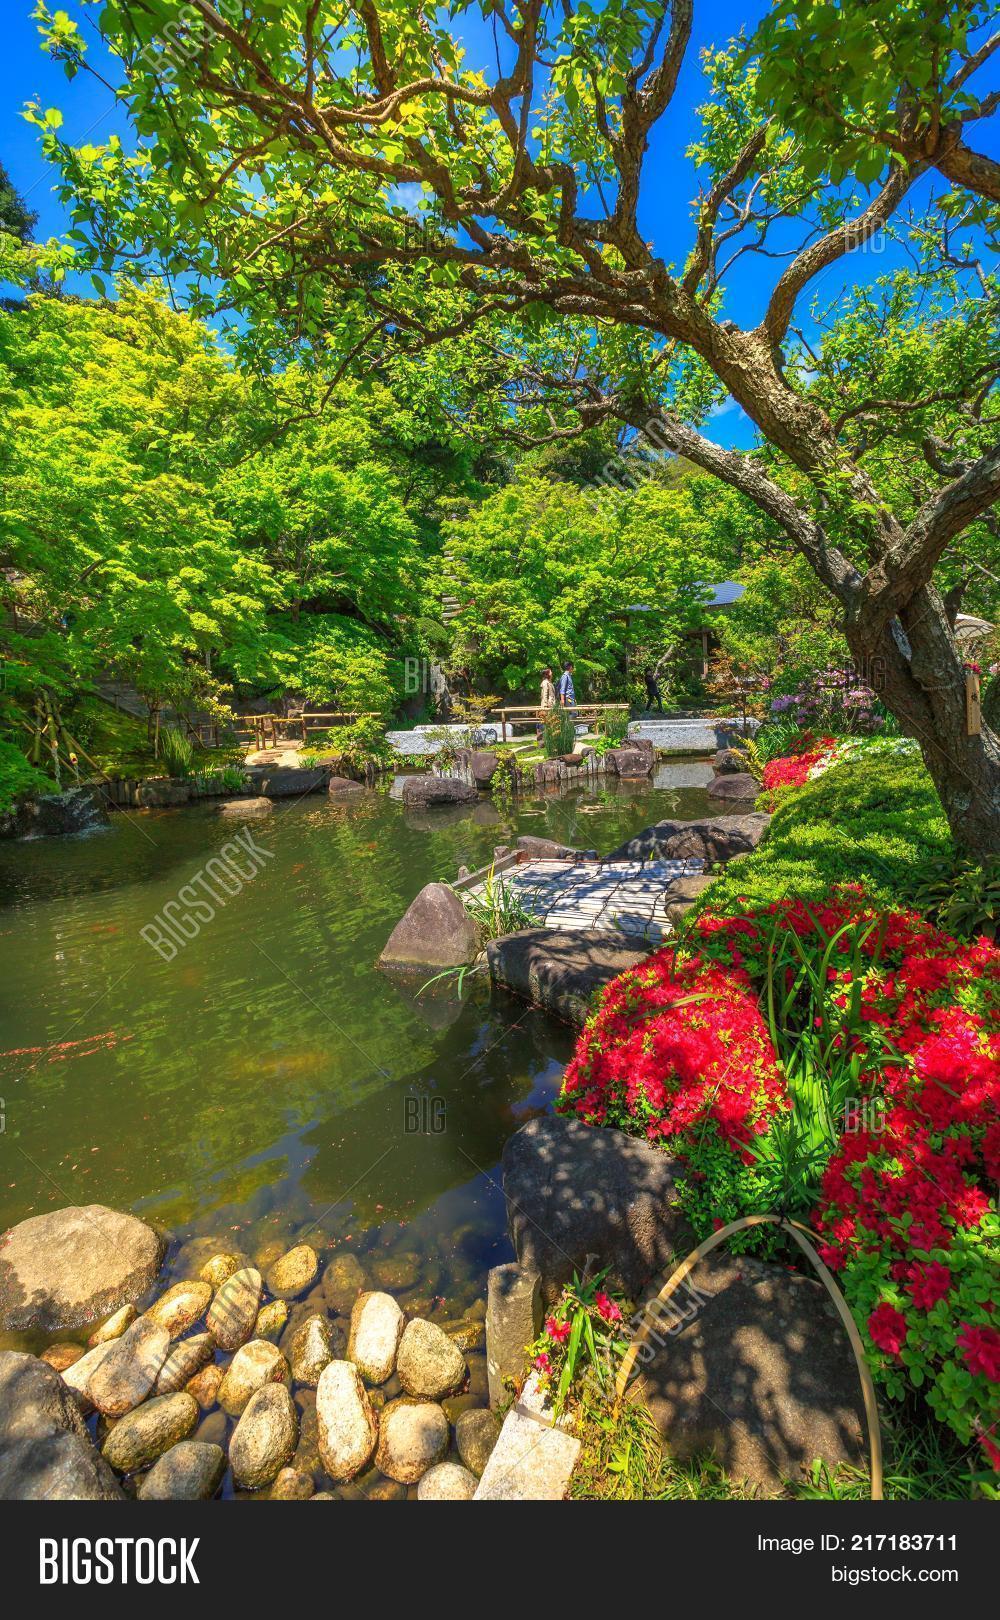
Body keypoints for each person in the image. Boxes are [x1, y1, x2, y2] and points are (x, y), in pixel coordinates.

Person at [536, 666, 556, 743]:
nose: (552, 673)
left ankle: (548, 741)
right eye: (550, 672)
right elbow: (544, 696)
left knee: (550, 724)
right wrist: (545, 707)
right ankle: (541, 742)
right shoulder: (545, 683)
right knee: (544, 725)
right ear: (547, 674)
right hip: (547, 707)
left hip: (550, 706)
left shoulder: (548, 682)